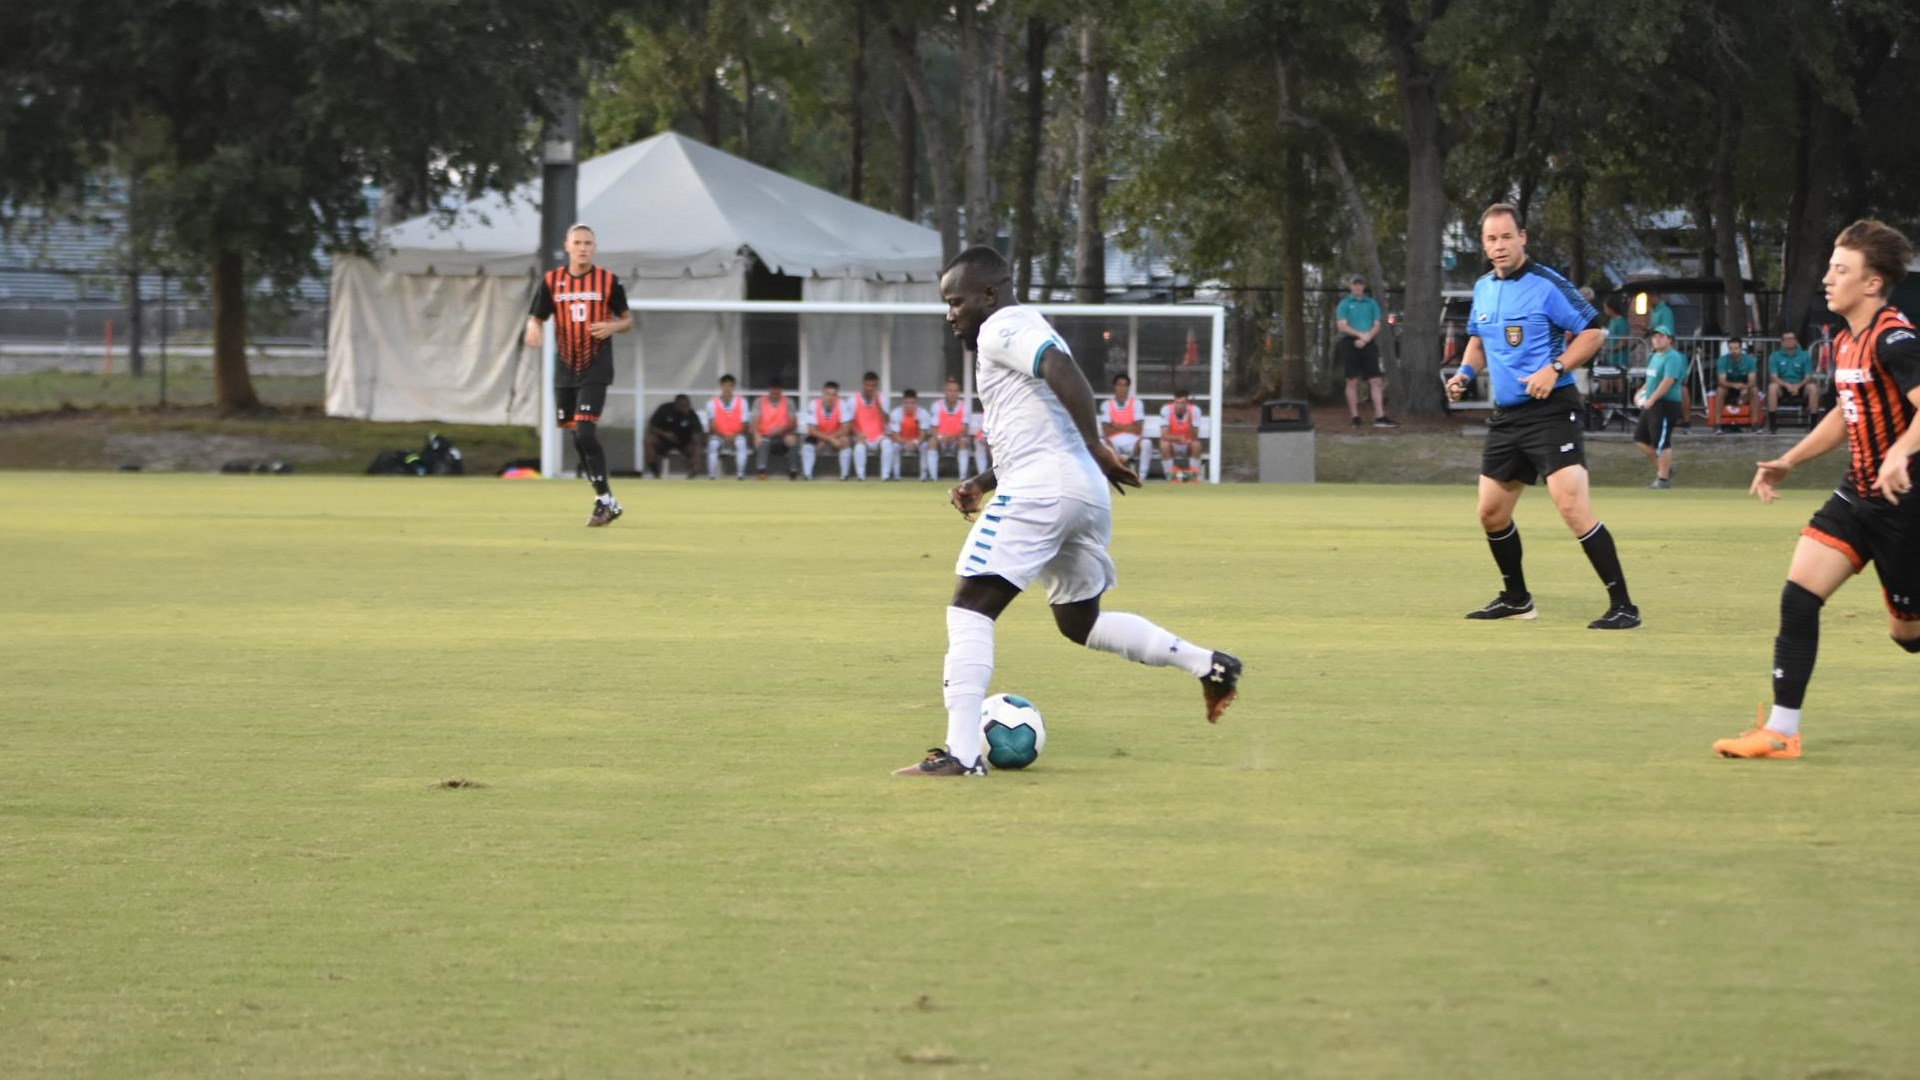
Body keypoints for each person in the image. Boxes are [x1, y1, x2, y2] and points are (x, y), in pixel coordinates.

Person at [898, 246, 1242, 777]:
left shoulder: (1001, 327)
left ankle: (962, 755)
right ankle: (1208, 664)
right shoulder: (1028, 326)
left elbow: (1061, 369)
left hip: (1044, 488)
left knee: (970, 608)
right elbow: (1044, 422)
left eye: (956, 302)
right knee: (1080, 623)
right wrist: (983, 482)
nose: (950, 315)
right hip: (1078, 490)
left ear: (988, 295)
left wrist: (1098, 443)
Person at [1716, 219, 1920, 760]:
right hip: (1857, 496)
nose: (1827, 278)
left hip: (1906, 505)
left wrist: (1900, 451)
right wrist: (1789, 460)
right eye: (1830, 266)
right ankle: (1781, 731)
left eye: (1840, 269)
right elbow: (1843, 414)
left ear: (1872, 283)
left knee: (1909, 636)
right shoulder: (1847, 340)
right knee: (1799, 596)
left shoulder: (1894, 338)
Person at [1445, 203, 1640, 629]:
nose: (1499, 245)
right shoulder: (1483, 288)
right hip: (1507, 417)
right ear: (1484, 245)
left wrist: (1555, 369)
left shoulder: (1547, 284)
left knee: (1571, 507)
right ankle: (1517, 600)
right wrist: (1463, 374)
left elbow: (1593, 332)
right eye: (1491, 239)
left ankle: (1624, 606)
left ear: (1523, 237)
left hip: (1552, 412)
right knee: (1491, 513)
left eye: (1506, 237)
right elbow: (1478, 341)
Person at [522, 223, 632, 525]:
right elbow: (536, 315)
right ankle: (606, 500)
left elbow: (627, 320)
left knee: (585, 431)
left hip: (596, 364)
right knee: (577, 436)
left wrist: (612, 326)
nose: (583, 248)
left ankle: (604, 502)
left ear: (594, 247)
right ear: (567, 246)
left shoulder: (608, 281)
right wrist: (532, 326)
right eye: (578, 242)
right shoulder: (552, 281)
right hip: (566, 368)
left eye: (588, 243)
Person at [1336, 275, 1399, 429]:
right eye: (1354, 284)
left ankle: (1380, 417)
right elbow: (1342, 326)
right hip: (1349, 343)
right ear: (1350, 287)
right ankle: (1355, 417)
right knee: (1352, 380)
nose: (1357, 287)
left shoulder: (1371, 303)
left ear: (1364, 286)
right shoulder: (1344, 304)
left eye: (1360, 284)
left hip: (1368, 342)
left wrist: (1366, 338)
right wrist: (1359, 335)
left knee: (1376, 381)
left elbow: (1377, 324)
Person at [1634, 329, 1688, 489]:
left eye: (1661, 336)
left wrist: (1652, 399)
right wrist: (1640, 392)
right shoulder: (1654, 357)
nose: (1657, 339)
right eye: (1655, 336)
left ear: (1669, 339)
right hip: (1651, 403)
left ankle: (1663, 479)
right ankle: (1665, 467)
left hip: (1665, 404)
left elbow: (1668, 380)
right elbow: (1650, 379)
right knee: (1640, 438)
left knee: (1661, 441)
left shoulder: (1673, 357)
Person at [802, 380, 852, 480]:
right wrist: (829, 439)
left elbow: (846, 429)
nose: (830, 397)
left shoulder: (842, 404)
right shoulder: (813, 404)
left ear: (837, 396)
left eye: (833, 395)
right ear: (822, 393)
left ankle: (844, 476)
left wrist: (828, 439)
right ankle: (807, 475)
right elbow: (811, 430)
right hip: (819, 437)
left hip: (836, 436)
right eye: (827, 394)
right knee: (808, 444)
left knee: (845, 441)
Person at [644, 394, 703, 478]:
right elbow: (651, 426)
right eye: (683, 406)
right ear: (676, 405)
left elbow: (697, 432)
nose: (686, 409)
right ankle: (655, 473)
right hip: (664, 441)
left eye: (687, 406)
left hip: (683, 442)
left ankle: (693, 474)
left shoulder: (691, 415)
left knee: (697, 446)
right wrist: (664, 434)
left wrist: (696, 439)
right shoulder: (665, 409)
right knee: (649, 440)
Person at [704, 373, 750, 480]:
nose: (727, 388)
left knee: (741, 443)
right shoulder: (712, 403)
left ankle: (740, 474)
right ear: (721, 386)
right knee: (713, 444)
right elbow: (712, 425)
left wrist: (734, 435)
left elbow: (745, 424)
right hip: (719, 435)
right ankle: (711, 475)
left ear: (734, 386)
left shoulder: (742, 402)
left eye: (730, 386)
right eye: (725, 385)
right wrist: (723, 435)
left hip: (736, 434)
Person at [848, 371, 892, 481]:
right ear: (863, 384)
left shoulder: (883, 398)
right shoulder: (853, 399)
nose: (870, 388)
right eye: (867, 385)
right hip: (861, 435)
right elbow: (849, 422)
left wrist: (877, 404)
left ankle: (885, 476)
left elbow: (887, 421)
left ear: (876, 386)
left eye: (873, 386)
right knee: (859, 447)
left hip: (878, 436)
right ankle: (860, 476)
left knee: (887, 444)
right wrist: (857, 434)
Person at [752, 382, 800, 480]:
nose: (774, 394)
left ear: (781, 391)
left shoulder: (789, 402)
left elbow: (793, 422)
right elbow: (754, 421)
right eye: (772, 392)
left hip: (782, 436)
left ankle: (793, 471)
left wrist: (781, 429)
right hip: (765, 435)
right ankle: (761, 471)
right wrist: (756, 435)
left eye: (777, 392)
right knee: (762, 442)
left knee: (792, 440)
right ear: (769, 390)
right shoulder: (759, 401)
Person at [1767, 329, 1818, 422]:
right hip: (1782, 386)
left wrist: (1798, 386)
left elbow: (1808, 376)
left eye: (1791, 338)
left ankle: (1813, 424)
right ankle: (1772, 424)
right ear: (1782, 342)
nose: (1789, 341)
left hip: (1801, 386)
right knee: (1772, 387)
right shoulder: (1774, 356)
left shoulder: (1805, 355)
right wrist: (1787, 386)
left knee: (1813, 388)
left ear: (1796, 341)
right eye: (1786, 339)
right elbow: (1774, 377)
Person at [1100, 374, 1147, 472]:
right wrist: (1130, 427)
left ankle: (1142, 476)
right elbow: (1107, 430)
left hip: (1133, 441)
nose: (1122, 388)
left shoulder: (1137, 403)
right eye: (1119, 385)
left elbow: (1138, 429)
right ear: (1115, 386)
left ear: (1128, 387)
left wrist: (1116, 426)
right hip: (1114, 441)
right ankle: (1109, 473)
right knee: (1101, 442)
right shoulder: (1106, 405)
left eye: (1125, 385)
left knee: (1146, 443)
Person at [1157, 387, 1205, 482]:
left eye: (1183, 403)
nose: (1180, 406)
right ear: (1174, 402)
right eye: (1177, 402)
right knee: (1164, 445)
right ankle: (1170, 477)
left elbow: (1195, 436)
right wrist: (1178, 438)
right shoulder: (1166, 410)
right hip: (1172, 444)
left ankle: (1193, 476)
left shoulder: (1195, 410)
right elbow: (1164, 435)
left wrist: (1190, 421)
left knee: (1197, 445)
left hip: (1188, 444)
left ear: (1187, 403)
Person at [930, 377, 974, 480]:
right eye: (950, 391)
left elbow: (964, 429)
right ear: (945, 391)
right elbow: (933, 429)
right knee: (932, 442)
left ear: (959, 392)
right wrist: (940, 438)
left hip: (957, 439)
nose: (952, 393)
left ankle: (962, 477)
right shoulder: (936, 406)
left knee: (963, 442)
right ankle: (933, 477)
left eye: (955, 391)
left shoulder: (965, 406)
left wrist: (952, 437)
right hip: (941, 440)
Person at [888, 388, 935, 481]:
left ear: (916, 403)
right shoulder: (896, 413)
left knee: (925, 446)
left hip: (918, 442)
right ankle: (896, 475)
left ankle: (924, 475)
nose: (909, 406)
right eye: (907, 403)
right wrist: (905, 443)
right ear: (903, 403)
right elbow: (895, 435)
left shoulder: (923, 413)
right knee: (894, 447)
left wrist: (915, 443)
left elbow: (923, 434)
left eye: (912, 403)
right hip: (902, 442)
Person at [1715, 337, 1758, 432]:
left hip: (1745, 387)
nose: (1733, 351)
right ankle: (1717, 424)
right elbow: (1721, 381)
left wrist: (1745, 387)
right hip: (1729, 387)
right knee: (1720, 390)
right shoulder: (1722, 360)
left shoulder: (1750, 360)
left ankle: (1755, 423)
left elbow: (1752, 380)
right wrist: (1735, 385)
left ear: (1741, 348)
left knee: (1754, 390)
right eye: (1731, 349)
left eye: (1736, 348)